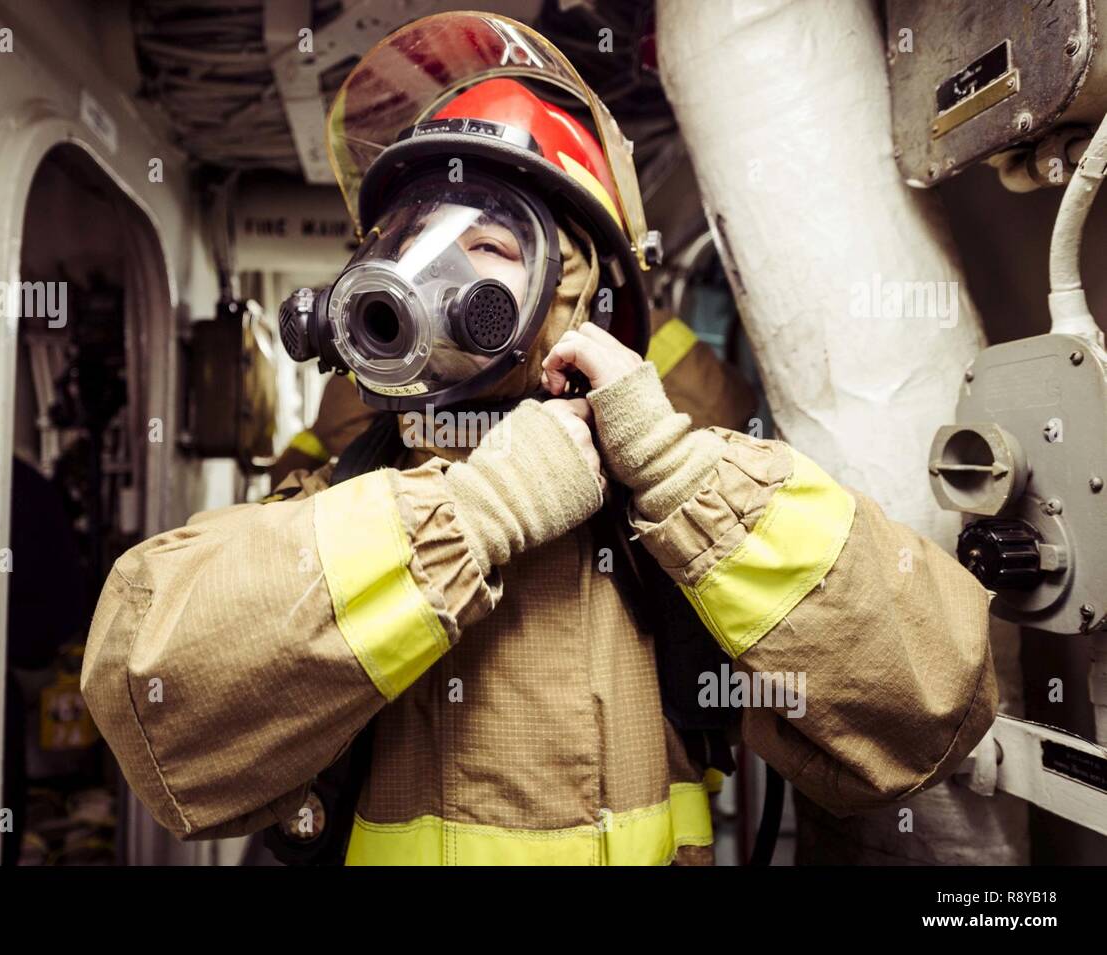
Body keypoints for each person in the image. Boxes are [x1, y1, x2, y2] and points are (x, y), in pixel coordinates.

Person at [81, 12, 996, 865]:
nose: (425, 271)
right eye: (406, 238)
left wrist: (679, 477)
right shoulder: (338, 507)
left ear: (574, 293)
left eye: (488, 244)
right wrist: (472, 514)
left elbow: (927, 709)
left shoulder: (677, 541)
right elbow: (152, 704)